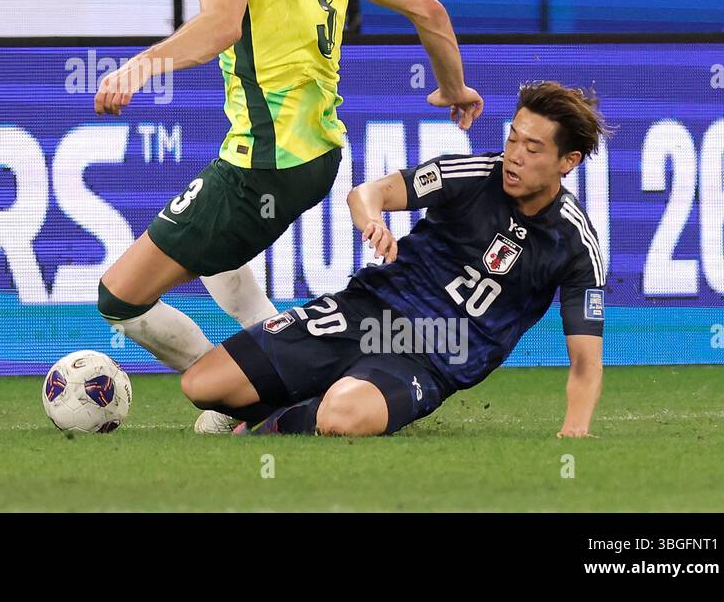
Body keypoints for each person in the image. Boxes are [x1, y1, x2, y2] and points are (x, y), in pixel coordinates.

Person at [92, 0, 482, 433]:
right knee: (219, 261)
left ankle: (253, 397)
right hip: (319, 156)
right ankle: (277, 372)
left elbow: (221, 25)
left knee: (119, 299)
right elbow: (428, 8)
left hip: (263, 164)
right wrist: (454, 88)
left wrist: (136, 68)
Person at [181, 82, 608, 439]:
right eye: (512, 137)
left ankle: (285, 415)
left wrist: (574, 432)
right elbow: (368, 193)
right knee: (200, 385)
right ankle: (295, 387)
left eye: (533, 149)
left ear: (568, 162)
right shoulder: (474, 176)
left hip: (431, 358)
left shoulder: (574, 243)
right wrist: (373, 221)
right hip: (364, 312)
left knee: (340, 418)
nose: (514, 155)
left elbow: (586, 361)